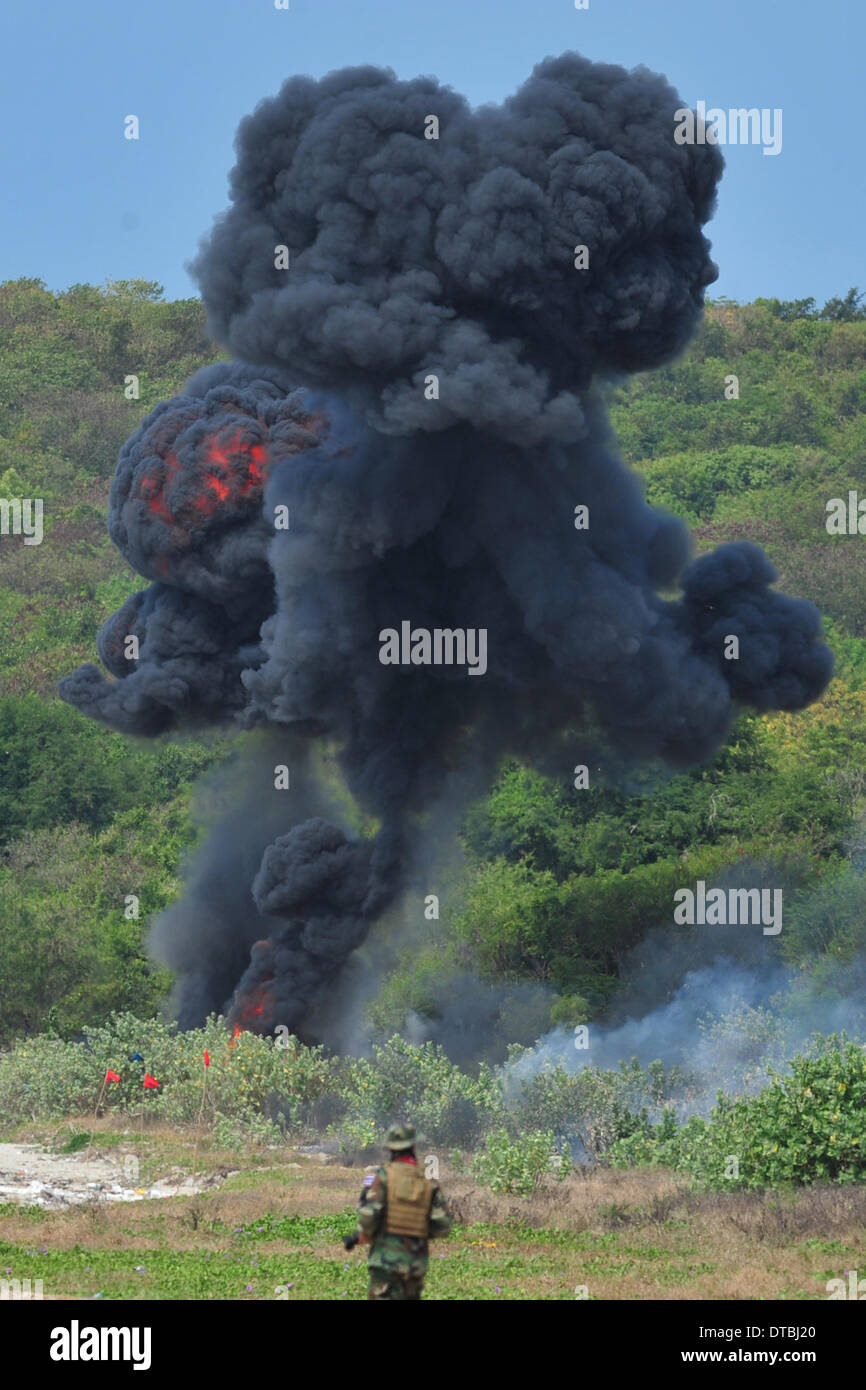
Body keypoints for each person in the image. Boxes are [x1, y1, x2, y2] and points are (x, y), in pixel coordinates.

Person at [355, 1122, 452, 1300]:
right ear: (414, 1146)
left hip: (385, 1263)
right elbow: (443, 1225)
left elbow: (368, 1217)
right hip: (415, 1264)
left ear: (390, 1147)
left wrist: (366, 1234)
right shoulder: (426, 1181)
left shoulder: (382, 1177)